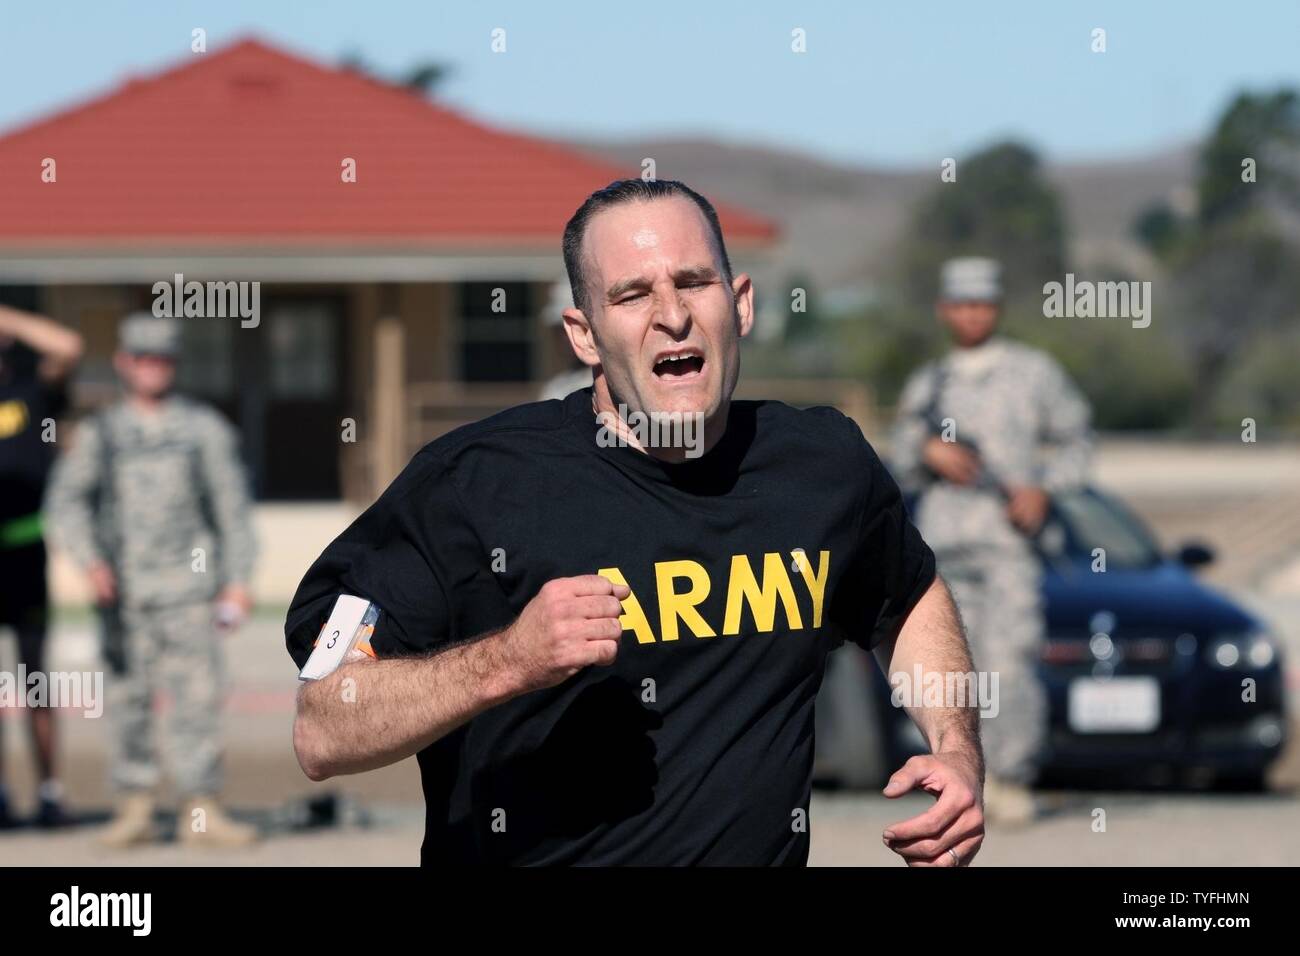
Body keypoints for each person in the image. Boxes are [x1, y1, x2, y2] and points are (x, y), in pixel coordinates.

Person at [287, 179, 985, 866]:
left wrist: (955, 747)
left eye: (694, 282)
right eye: (631, 295)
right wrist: (507, 662)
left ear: (740, 304)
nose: (672, 316)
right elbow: (323, 728)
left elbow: (908, 598)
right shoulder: (471, 484)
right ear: (584, 335)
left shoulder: (822, 466)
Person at [890, 257, 1093, 824]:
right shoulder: (930, 382)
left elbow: (1078, 439)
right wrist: (928, 451)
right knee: (944, 669)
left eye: (982, 303)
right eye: (961, 304)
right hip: (942, 545)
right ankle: (952, 775)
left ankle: (1009, 776)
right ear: (944, 310)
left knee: (1009, 661)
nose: (972, 314)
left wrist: (1043, 489)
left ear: (996, 308)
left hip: (1007, 542)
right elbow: (898, 453)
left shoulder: (1034, 374)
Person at [44, 313, 258, 848]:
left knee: (197, 701)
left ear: (174, 364)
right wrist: (91, 561)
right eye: (142, 357)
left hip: (188, 592)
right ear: (123, 363)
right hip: (124, 595)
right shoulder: (102, 433)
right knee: (128, 702)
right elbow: (66, 503)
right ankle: (135, 808)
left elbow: (231, 511)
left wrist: (236, 581)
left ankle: (200, 810)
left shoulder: (203, 430)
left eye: (162, 357)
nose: (152, 367)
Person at [0, 303, 83, 829]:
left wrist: (5, 317)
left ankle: (50, 792)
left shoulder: (31, 392)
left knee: (35, 682)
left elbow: (68, 347)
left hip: (25, 555)